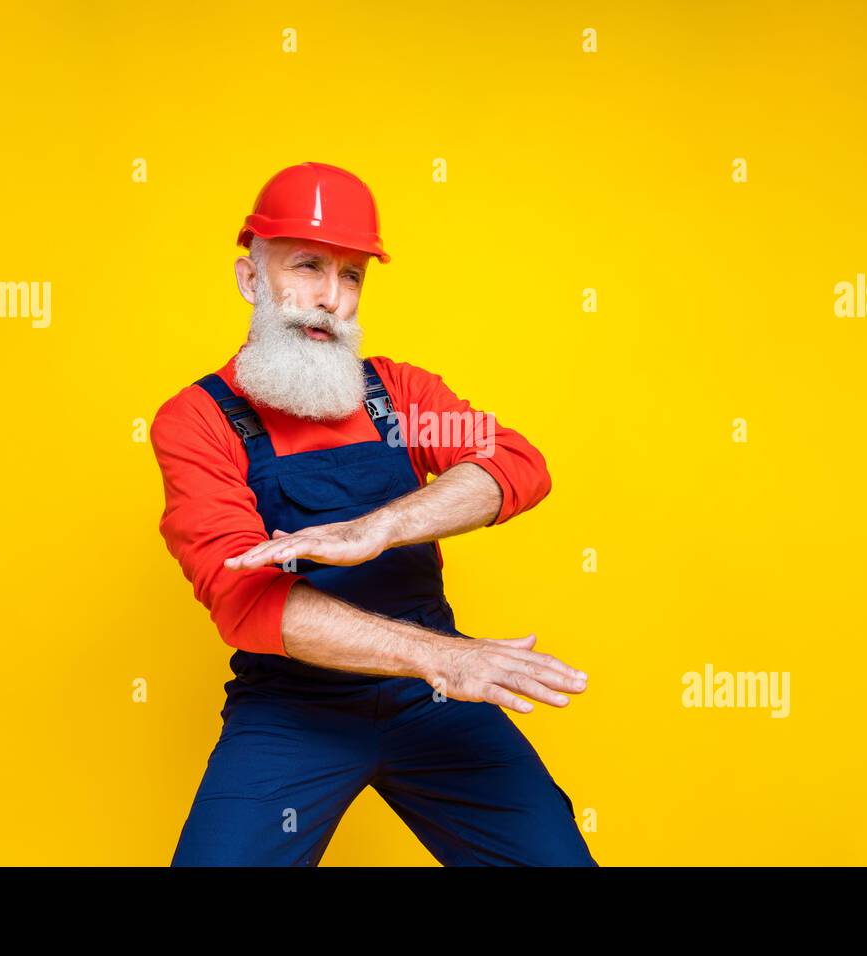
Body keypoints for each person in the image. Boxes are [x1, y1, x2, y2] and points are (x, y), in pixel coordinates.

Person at [150, 161, 596, 866]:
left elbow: (514, 464)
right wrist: (441, 656)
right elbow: (244, 603)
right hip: (295, 710)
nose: (331, 298)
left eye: (352, 274)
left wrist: (380, 527)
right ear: (250, 279)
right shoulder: (198, 420)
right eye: (306, 266)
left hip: (435, 706)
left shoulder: (399, 395)